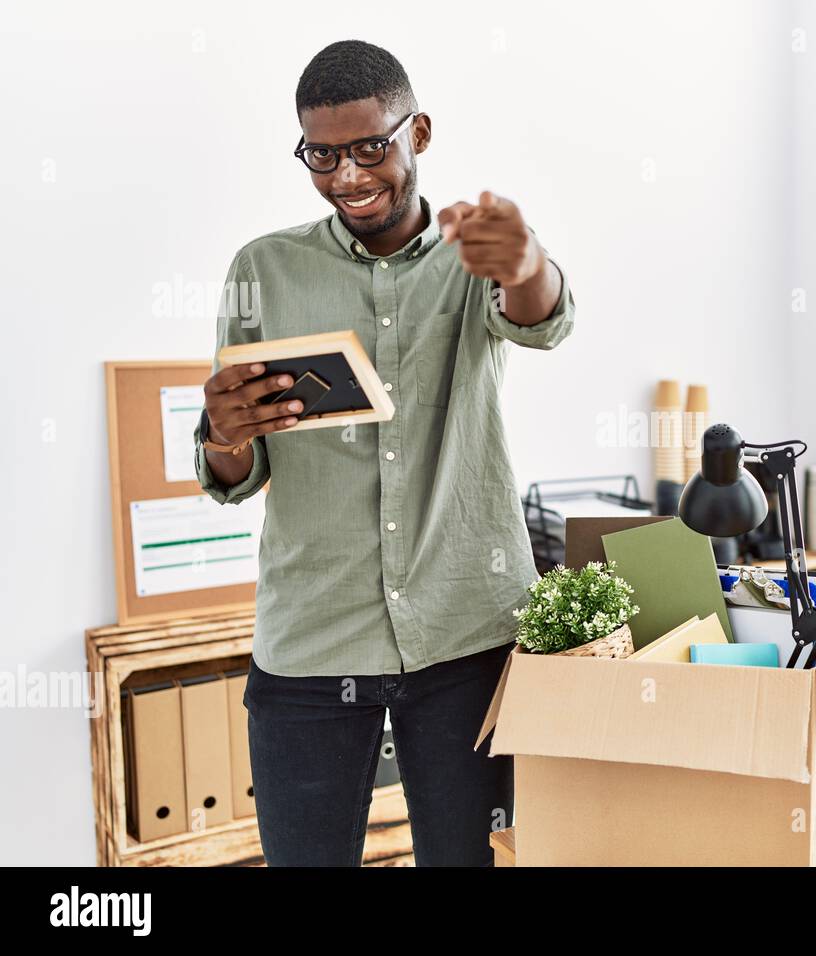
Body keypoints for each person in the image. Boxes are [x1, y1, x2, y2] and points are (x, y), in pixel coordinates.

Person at [192, 39, 574, 866]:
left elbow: (543, 318)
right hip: (313, 633)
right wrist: (223, 436)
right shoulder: (264, 269)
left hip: (466, 626)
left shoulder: (477, 254)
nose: (348, 176)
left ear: (418, 133)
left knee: (476, 858)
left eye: (370, 148)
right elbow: (234, 476)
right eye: (321, 155)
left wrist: (528, 264)